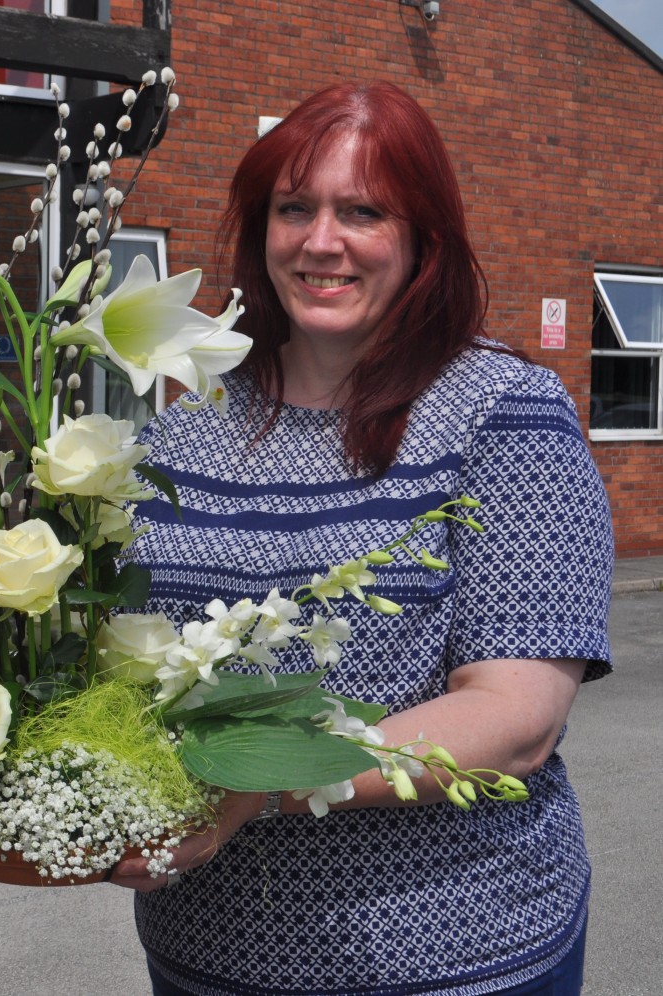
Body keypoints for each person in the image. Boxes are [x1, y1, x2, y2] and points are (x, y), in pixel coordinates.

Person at [111, 81, 612, 995]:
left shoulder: (505, 415)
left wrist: (253, 788)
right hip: (206, 953)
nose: (320, 241)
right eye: (293, 208)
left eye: (362, 212)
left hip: (453, 952)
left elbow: (515, 720)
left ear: (424, 236)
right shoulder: (189, 426)